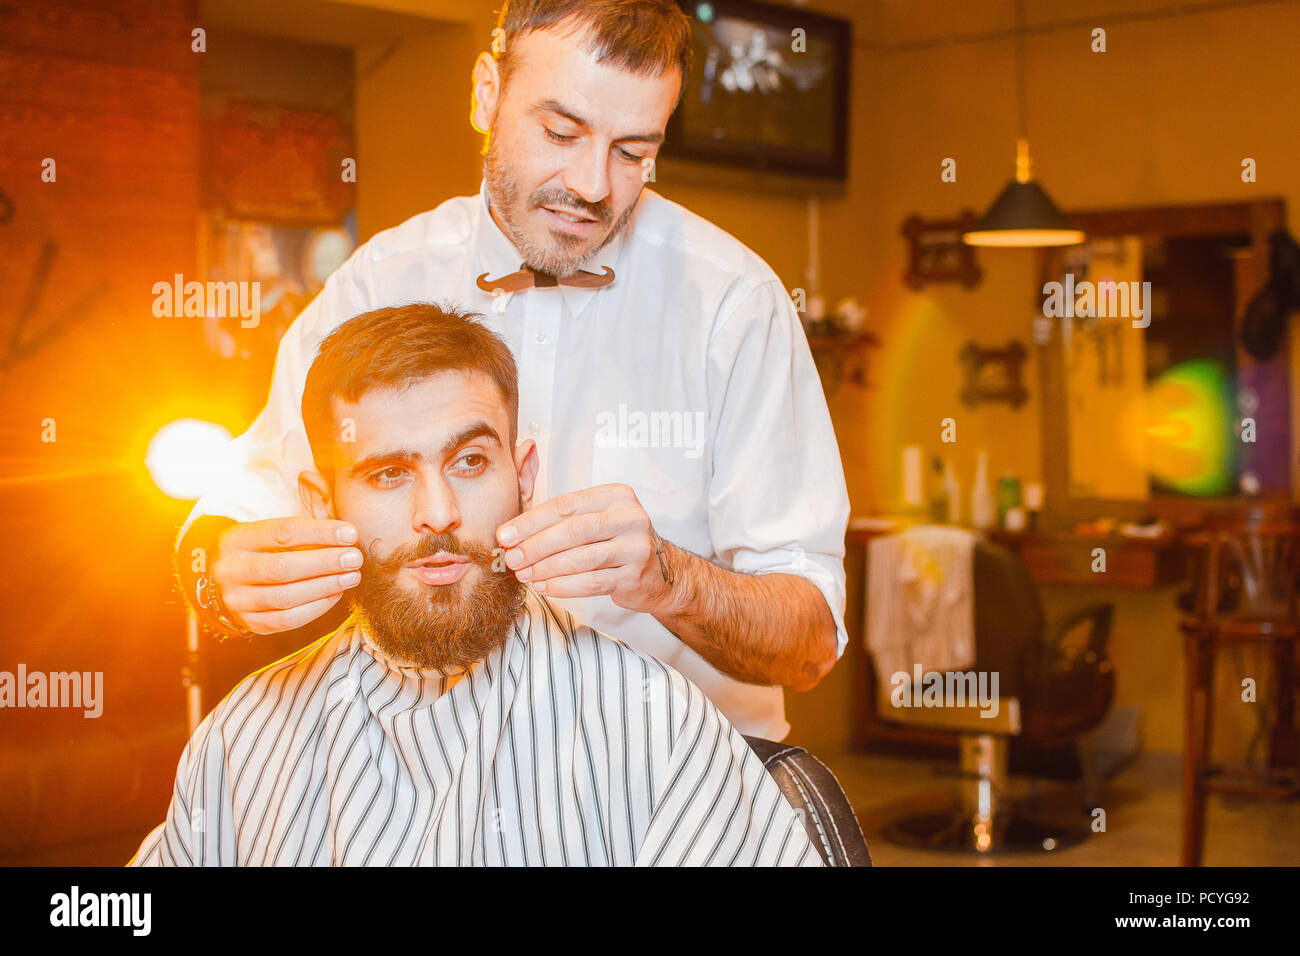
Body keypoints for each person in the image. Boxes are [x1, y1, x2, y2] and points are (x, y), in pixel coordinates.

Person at [178, 0, 849, 740]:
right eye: (560, 133)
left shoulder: (733, 303)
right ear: (485, 93)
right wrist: (215, 569)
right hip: (435, 793)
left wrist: (667, 577)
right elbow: (257, 485)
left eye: (633, 152)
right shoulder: (380, 281)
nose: (593, 185)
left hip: (687, 793)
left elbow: (809, 645)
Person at [132, 304, 821, 866]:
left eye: (468, 461)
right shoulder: (243, 737)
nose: (438, 512)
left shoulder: (647, 720)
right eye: (387, 474)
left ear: (522, 477)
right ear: (319, 504)